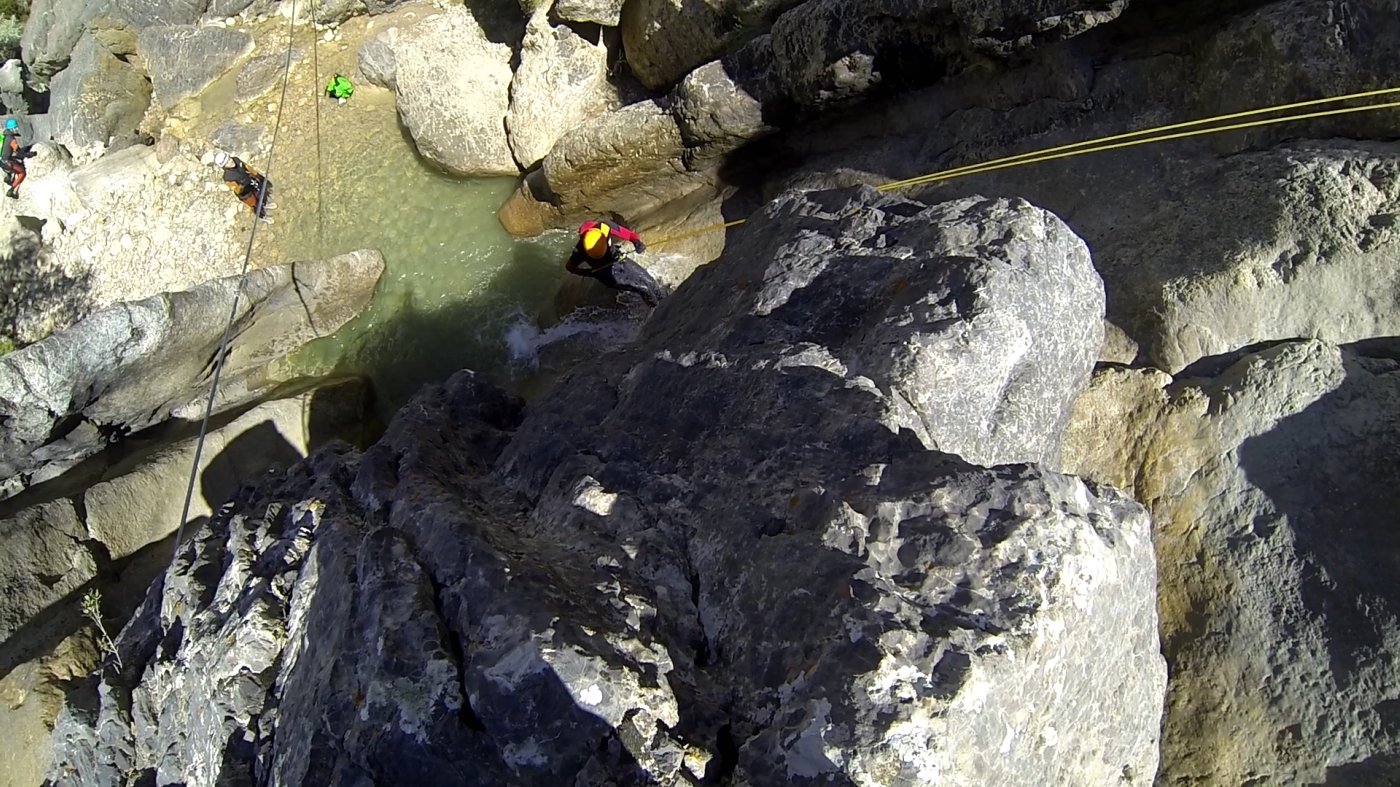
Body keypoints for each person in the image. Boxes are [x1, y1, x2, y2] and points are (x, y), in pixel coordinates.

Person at [565, 219, 661, 306]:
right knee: (643, 289)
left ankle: (664, 300)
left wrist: (637, 243)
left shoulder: (604, 227)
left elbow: (629, 234)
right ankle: (658, 311)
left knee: (650, 282)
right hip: (604, 274)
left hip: (619, 260)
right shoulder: (579, 250)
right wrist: (590, 273)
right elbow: (570, 267)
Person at [213, 150, 275, 222]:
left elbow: (246, 167)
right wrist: (242, 185)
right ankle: (263, 216)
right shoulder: (228, 177)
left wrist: (256, 175)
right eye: (227, 163)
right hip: (245, 192)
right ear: (224, 166)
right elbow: (237, 190)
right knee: (255, 204)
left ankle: (265, 203)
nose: (231, 162)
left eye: (229, 159)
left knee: (261, 192)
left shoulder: (236, 160)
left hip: (250, 181)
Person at [2, 118, 36, 199]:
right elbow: (19, 152)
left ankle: (9, 176)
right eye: (15, 127)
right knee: (22, 173)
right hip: (7, 162)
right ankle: (12, 190)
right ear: (12, 128)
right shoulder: (12, 140)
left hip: (2, 160)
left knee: (16, 161)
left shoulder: (4, 137)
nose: (17, 129)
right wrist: (29, 154)